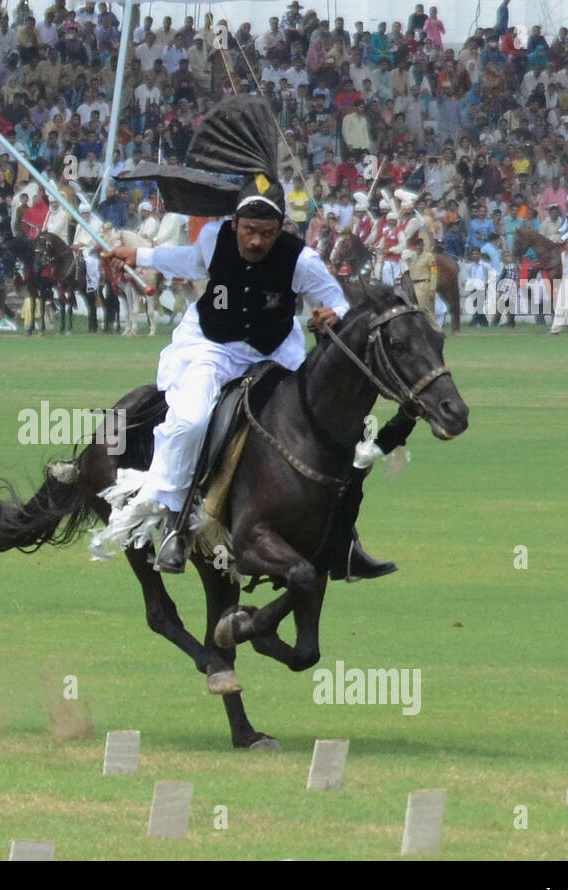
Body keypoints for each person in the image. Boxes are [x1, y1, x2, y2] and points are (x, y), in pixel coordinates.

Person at [96, 97, 393, 579]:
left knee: (340, 433)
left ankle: (343, 536)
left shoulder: (301, 259)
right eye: (250, 231)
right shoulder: (215, 238)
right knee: (191, 420)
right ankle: (174, 521)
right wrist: (139, 257)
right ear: (235, 223)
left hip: (276, 354)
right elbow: (188, 262)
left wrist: (329, 317)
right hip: (210, 348)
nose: (256, 242)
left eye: (268, 233)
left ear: (282, 228)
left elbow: (337, 303)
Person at [407, 236, 438, 326]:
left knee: (422, 308)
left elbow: (434, 272)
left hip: (424, 284)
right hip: (414, 285)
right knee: (414, 308)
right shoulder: (412, 257)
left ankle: (436, 328)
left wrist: (432, 288)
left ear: (423, 246)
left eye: (420, 245)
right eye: (416, 245)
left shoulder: (429, 256)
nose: (418, 247)